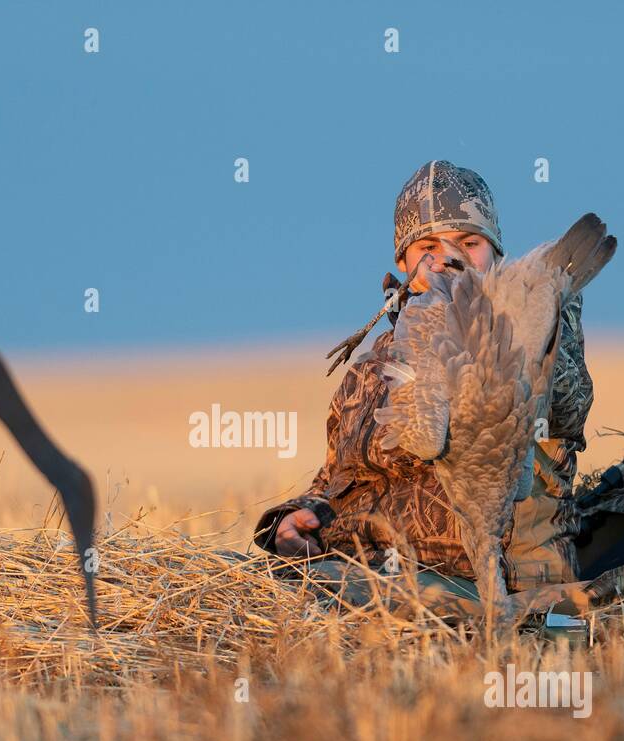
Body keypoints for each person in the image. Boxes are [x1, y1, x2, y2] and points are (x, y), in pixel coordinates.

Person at [252, 160, 595, 621]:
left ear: (495, 253)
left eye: (469, 243)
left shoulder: (532, 331)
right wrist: (302, 517)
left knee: (306, 605)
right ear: (403, 263)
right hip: (366, 566)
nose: (449, 258)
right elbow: (338, 477)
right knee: (225, 584)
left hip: (483, 583)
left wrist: (506, 322)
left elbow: (566, 407)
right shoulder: (373, 367)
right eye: (429, 246)